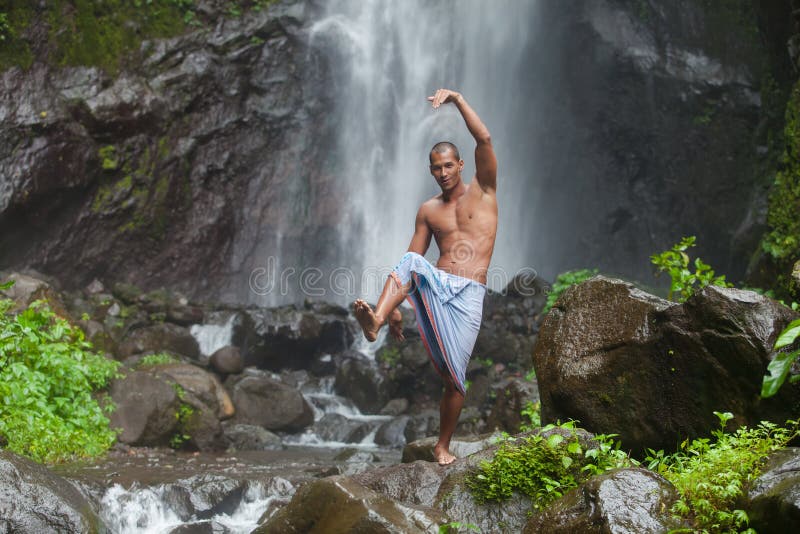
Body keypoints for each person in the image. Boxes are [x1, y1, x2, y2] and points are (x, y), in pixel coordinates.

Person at [353, 88, 498, 465]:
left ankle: (442, 445)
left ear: (461, 164)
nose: (443, 173)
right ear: (430, 169)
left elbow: (484, 138)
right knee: (412, 262)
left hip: (469, 295)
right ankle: (376, 322)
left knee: (455, 379)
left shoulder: (484, 192)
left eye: (448, 165)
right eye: (436, 167)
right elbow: (411, 259)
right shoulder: (428, 210)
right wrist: (396, 305)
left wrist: (458, 99)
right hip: (437, 286)